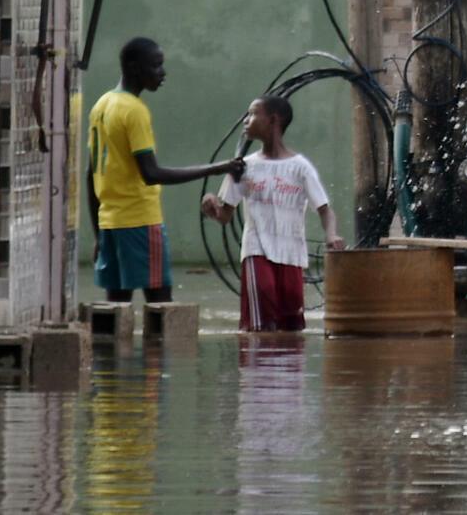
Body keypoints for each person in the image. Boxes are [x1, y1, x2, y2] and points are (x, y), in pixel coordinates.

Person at [85, 37, 244, 306]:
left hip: (110, 224)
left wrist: (99, 234)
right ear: (135, 68)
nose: (163, 73)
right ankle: (158, 351)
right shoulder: (134, 111)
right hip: (140, 221)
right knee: (162, 310)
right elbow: (151, 173)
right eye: (156, 66)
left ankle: (108, 350)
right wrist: (217, 168)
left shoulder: (102, 104)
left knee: (113, 312)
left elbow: (91, 175)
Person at [201, 93, 342, 332]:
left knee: (292, 329)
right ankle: (258, 370)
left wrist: (331, 234)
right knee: (260, 329)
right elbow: (225, 215)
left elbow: (325, 210)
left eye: (254, 113)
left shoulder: (300, 167)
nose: (247, 120)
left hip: (292, 255)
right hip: (257, 252)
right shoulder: (243, 167)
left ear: (273, 120)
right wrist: (212, 205)